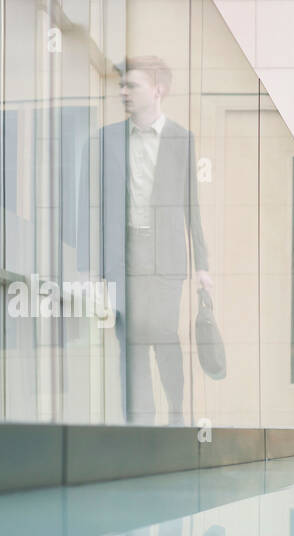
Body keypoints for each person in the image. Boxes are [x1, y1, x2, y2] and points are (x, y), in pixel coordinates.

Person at [78, 55, 213, 425]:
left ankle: (175, 415)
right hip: (123, 258)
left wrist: (202, 265)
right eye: (121, 86)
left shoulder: (181, 140)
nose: (123, 92)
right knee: (130, 345)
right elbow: (87, 205)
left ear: (158, 90)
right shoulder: (105, 140)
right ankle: (139, 425)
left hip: (166, 257)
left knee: (165, 336)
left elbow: (192, 207)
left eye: (131, 85)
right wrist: (88, 269)